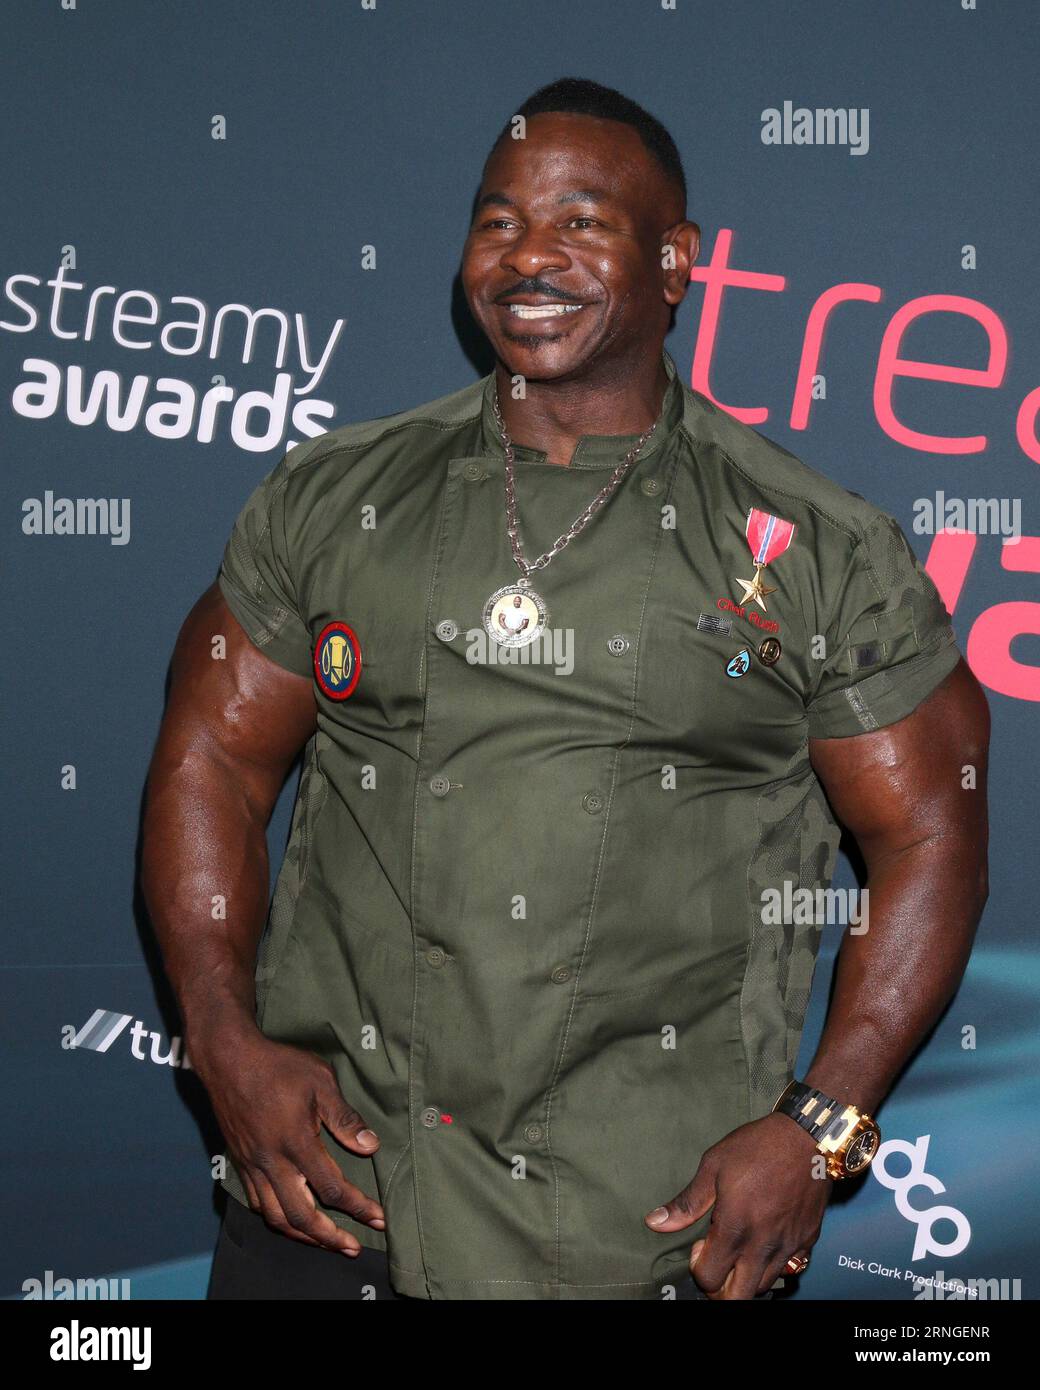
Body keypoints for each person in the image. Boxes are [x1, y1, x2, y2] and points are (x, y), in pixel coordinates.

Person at [141, 77, 990, 1302]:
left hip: (645, 1232)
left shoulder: (818, 549)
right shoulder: (332, 498)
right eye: (496, 222)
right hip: (332, 1209)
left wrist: (820, 1125)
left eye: (580, 222)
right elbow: (207, 760)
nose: (527, 256)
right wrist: (221, 1041)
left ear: (673, 261)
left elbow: (929, 831)